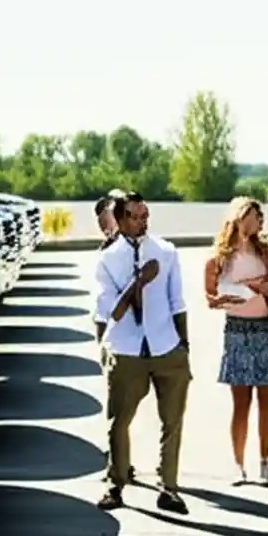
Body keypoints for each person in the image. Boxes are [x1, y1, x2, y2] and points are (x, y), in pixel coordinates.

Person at [93, 192, 190, 514]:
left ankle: (170, 488)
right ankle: (116, 483)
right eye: (135, 216)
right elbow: (111, 313)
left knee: (172, 421)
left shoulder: (165, 251)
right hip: (126, 348)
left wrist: (183, 344)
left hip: (166, 346)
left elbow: (177, 301)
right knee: (119, 421)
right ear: (120, 221)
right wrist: (138, 281)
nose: (143, 221)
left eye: (146, 214)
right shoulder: (108, 259)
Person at [205, 197, 268, 484]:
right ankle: (238, 463)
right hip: (237, 331)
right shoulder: (219, 257)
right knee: (240, 402)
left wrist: (265, 287)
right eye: (251, 216)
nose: (256, 222)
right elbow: (210, 297)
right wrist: (239, 290)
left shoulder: (266, 252)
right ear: (238, 217)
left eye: (259, 217)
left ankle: (265, 461)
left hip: (266, 328)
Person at [92, 189, 138, 484]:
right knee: (116, 401)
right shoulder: (107, 248)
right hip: (106, 326)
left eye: (107, 215)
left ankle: (121, 464)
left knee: (124, 404)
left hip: (130, 331)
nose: (104, 222)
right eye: (101, 219)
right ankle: (120, 462)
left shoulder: (137, 245)